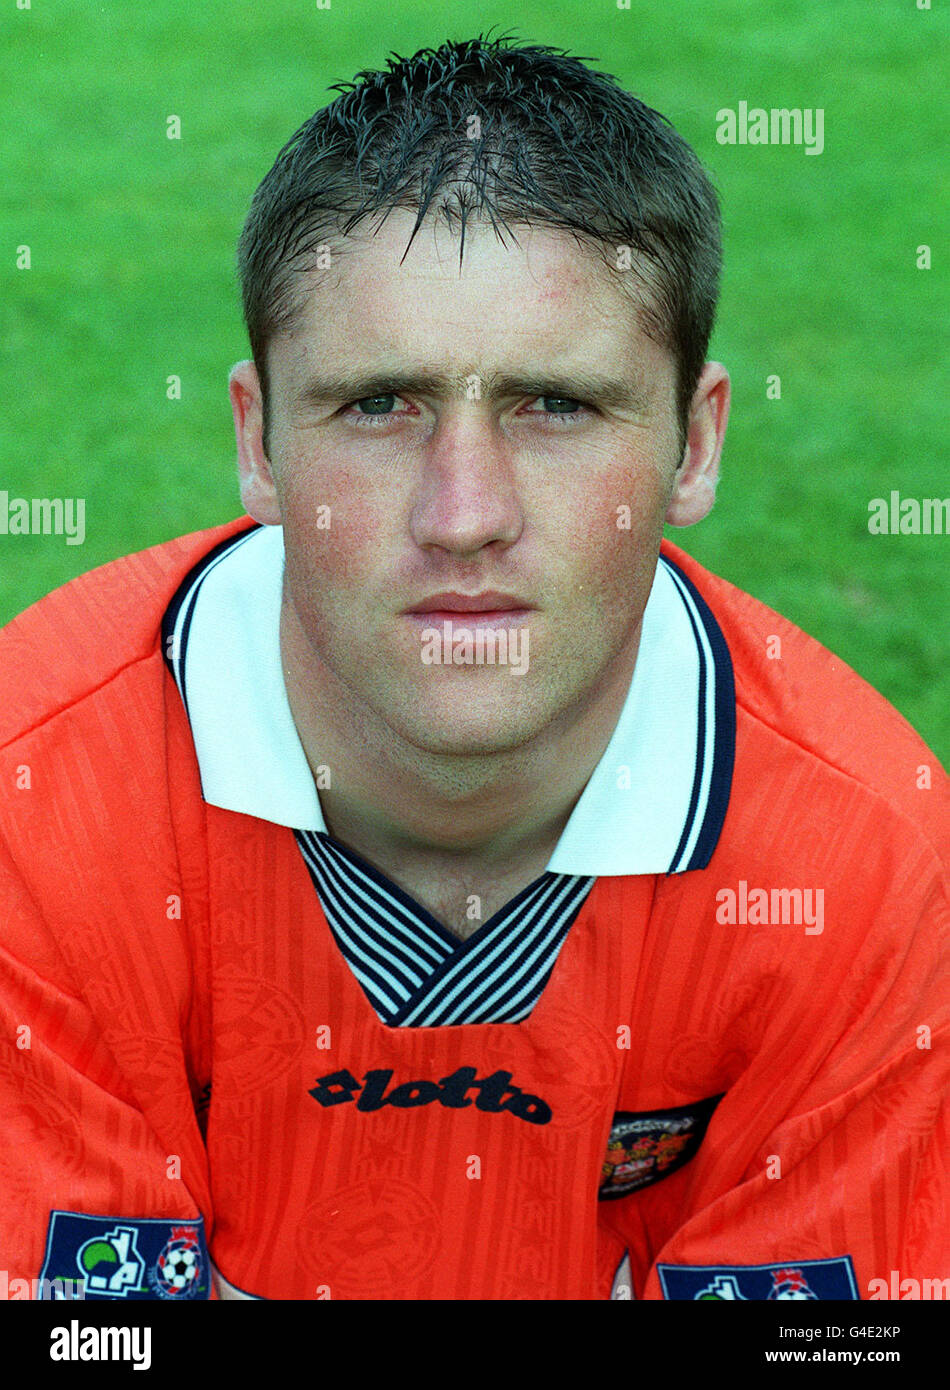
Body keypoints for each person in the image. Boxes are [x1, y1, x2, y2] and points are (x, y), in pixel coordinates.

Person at [0, 35, 946, 1303]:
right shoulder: (29, 801)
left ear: (694, 441)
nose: (462, 512)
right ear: (258, 439)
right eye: (378, 404)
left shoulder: (874, 871)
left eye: (554, 405)